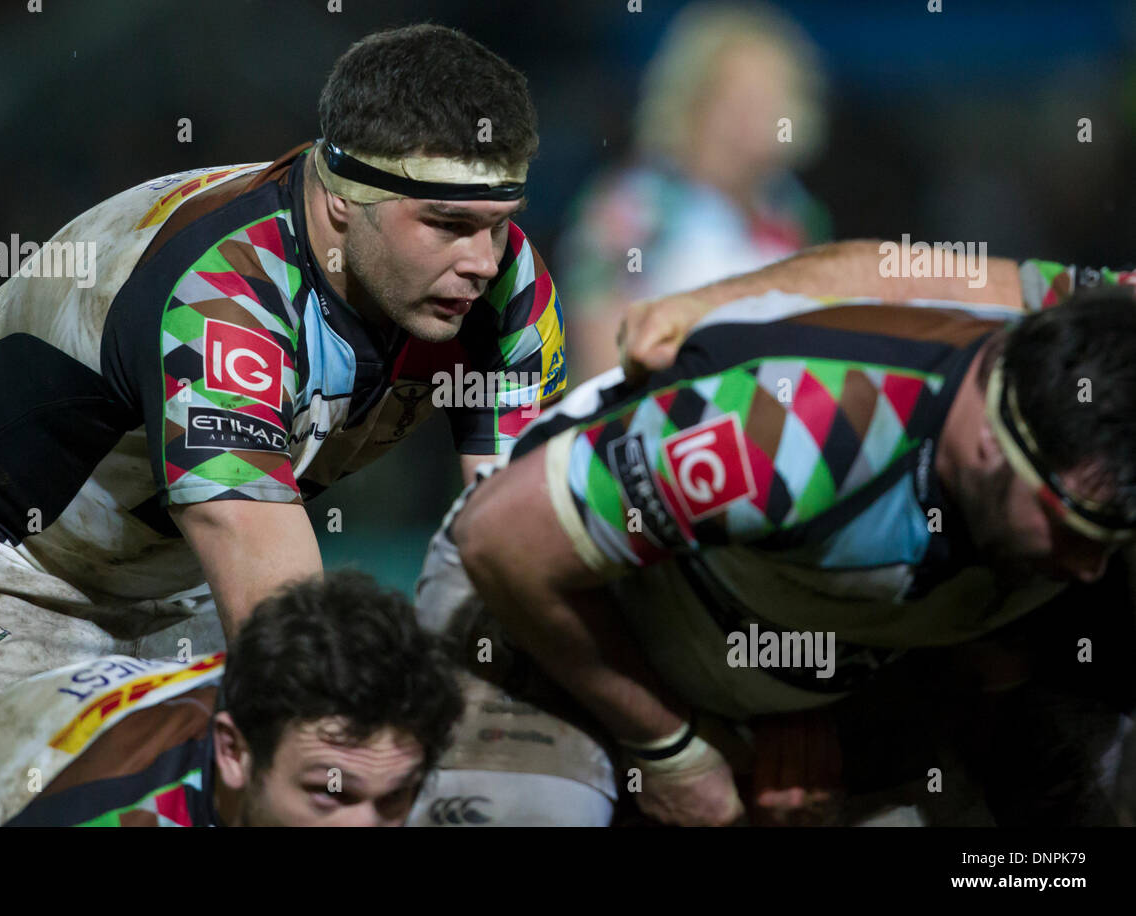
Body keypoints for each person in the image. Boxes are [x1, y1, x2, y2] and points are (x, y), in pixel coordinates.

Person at [0, 23, 564, 760]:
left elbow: (518, 540)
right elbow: (284, 611)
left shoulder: (508, 284)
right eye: (447, 224)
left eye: (498, 225)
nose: (484, 261)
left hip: (180, 560)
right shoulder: (223, 298)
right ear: (341, 202)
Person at [409, 249, 1136, 827]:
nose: (1091, 566)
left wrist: (824, 720)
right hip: (546, 604)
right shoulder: (788, 430)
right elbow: (504, 540)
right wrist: (675, 745)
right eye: (1078, 527)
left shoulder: (1111, 316)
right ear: (990, 446)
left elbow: (906, 266)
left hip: (803, 660)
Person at [0, 572, 462, 827]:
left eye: (395, 799)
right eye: (331, 794)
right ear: (235, 753)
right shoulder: (114, 809)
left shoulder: (293, 718)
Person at [557, 0, 831, 381]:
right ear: (693, 102)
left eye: (771, 102)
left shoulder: (793, 212)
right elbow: (601, 353)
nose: (755, 121)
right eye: (738, 101)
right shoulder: (632, 207)